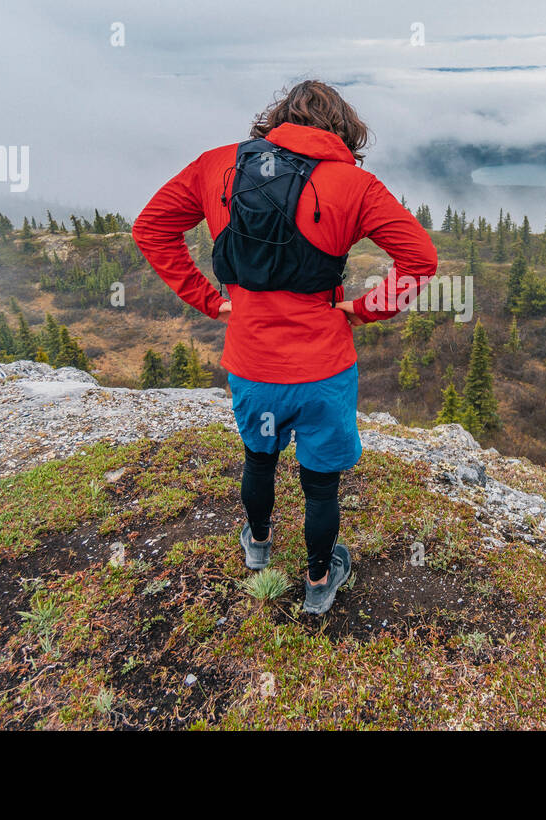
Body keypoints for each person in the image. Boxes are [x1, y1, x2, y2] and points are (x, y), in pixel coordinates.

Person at [132, 80, 437, 613]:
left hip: (252, 362)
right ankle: (319, 581)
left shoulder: (216, 165)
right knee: (321, 487)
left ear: (276, 120)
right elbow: (421, 260)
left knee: (259, 459)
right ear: (344, 130)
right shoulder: (356, 185)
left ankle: (258, 545)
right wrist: (366, 309)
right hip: (324, 368)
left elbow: (151, 228)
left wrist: (211, 302)